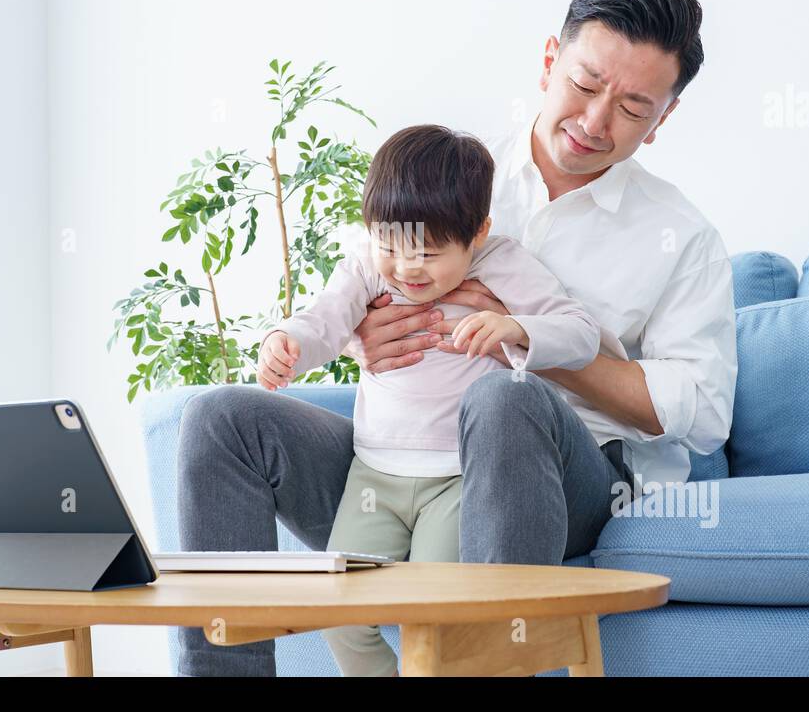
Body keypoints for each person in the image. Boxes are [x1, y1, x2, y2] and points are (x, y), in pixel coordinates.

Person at [176, 0, 737, 677]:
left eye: (632, 108)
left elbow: (706, 414)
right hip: (402, 466)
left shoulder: (681, 237)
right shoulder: (448, 172)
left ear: (663, 118)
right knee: (220, 418)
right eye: (586, 85)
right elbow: (354, 286)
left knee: (504, 397)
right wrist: (358, 336)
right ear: (548, 62)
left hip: (570, 480)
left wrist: (525, 338)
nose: (595, 122)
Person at [257, 123, 604, 676]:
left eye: (428, 253)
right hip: (374, 477)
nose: (406, 268)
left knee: (437, 611)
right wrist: (288, 342)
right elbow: (327, 315)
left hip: (456, 479)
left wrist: (514, 327)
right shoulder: (369, 263)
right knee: (343, 614)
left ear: (479, 234)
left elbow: (581, 333)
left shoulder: (502, 264)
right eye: (390, 246)